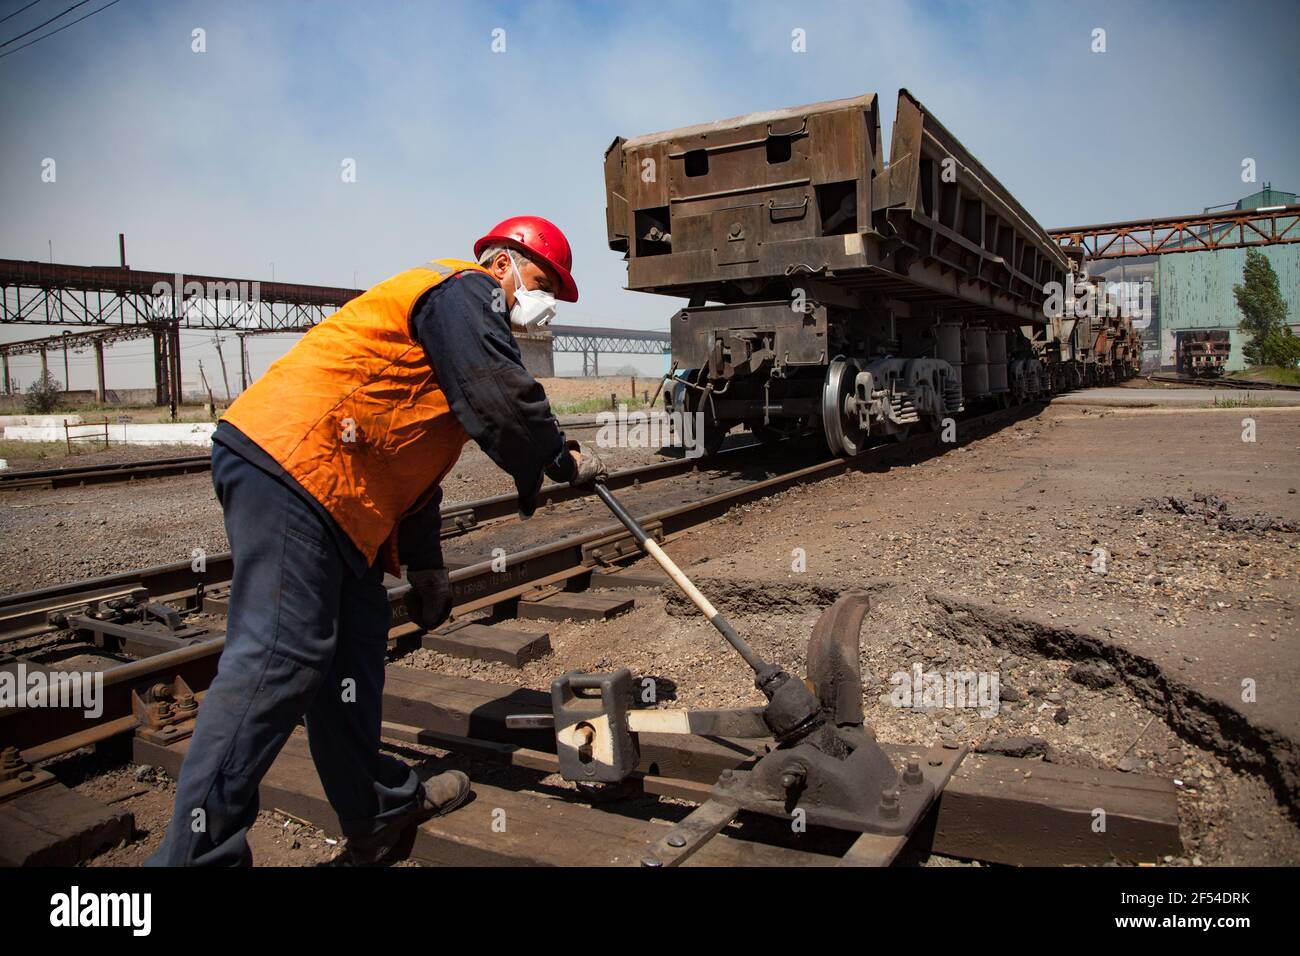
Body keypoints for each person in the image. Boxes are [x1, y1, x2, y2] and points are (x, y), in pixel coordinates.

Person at [148, 216, 606, 865]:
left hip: (341, 498)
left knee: (352, 656)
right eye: (541, 283)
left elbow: (411, 469)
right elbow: (505, 398)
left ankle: (376, 810)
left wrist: (427, 573)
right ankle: (193, 859)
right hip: (294, 466)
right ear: (501, 264)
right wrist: (560, 455)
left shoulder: (458, 343)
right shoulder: (463, 291)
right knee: (280, 657)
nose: (543, 304)